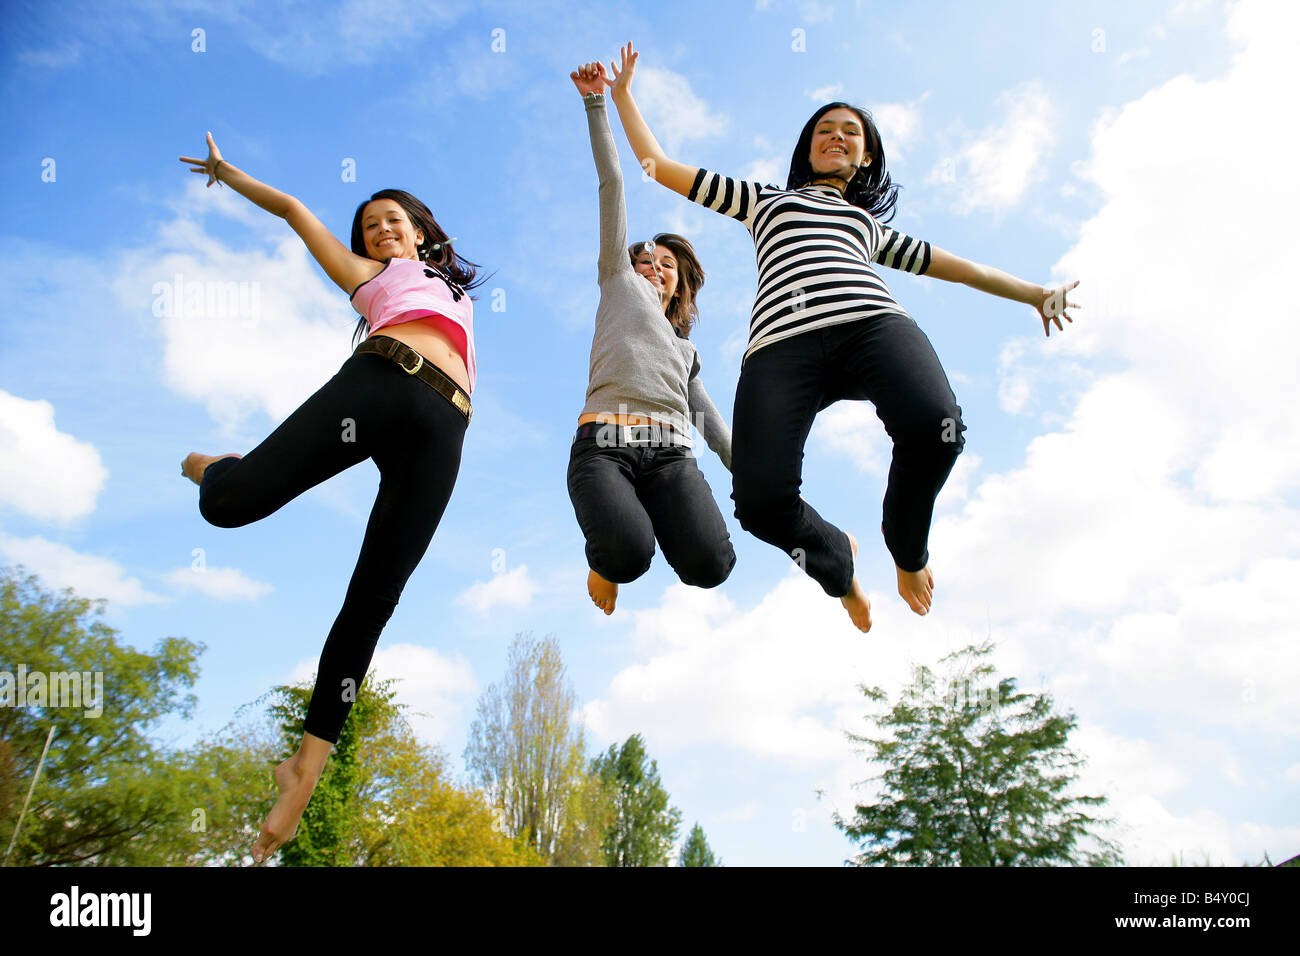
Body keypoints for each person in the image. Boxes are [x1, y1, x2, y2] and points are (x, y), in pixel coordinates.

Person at [599, 42, 1078, 632]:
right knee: (758, 503)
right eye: (825, 129)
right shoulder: (765, 201)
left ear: (866, 155)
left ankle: (906, 548)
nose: (837, 136)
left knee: (937, 427)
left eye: (851, 132)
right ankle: (839, 565)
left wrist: (1034, 294)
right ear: (807, 149)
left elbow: (959, 266)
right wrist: (622, 97)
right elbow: (658, 166)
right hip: (781, 349)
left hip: (872, 326)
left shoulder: (867, 225)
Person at [177, 133, 487, 862]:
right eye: (370, 223)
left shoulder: (450, 288)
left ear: (421, 231)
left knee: (375, 599)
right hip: (380, 382)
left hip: (444, 429)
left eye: (393, 220)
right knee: (229, 505)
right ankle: (219, 466)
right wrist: (230, 174)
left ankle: (305, 766)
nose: (380, 229)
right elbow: (291, 209)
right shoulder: (365, 278)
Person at [568, 62, 735, 615]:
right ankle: (605, 558)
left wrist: (760, 474)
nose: (654, 266)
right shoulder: (618, 281)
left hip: (670, 455)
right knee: (627, 554)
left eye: (667, 263)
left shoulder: (686, 350)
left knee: (712, 567)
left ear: (682, 281)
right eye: (648, 258)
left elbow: (710, 424)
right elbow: (614, 183)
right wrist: (599, 102)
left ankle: (639, 521)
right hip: (606, 444)